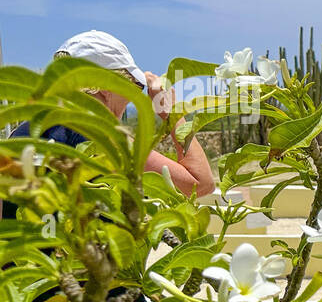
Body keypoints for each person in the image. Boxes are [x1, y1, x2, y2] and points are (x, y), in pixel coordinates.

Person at [7, 30, 215, 197]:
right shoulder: (107, 141)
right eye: (134, 86)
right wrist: (172, 114)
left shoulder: (21, 134)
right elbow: (200, 184)